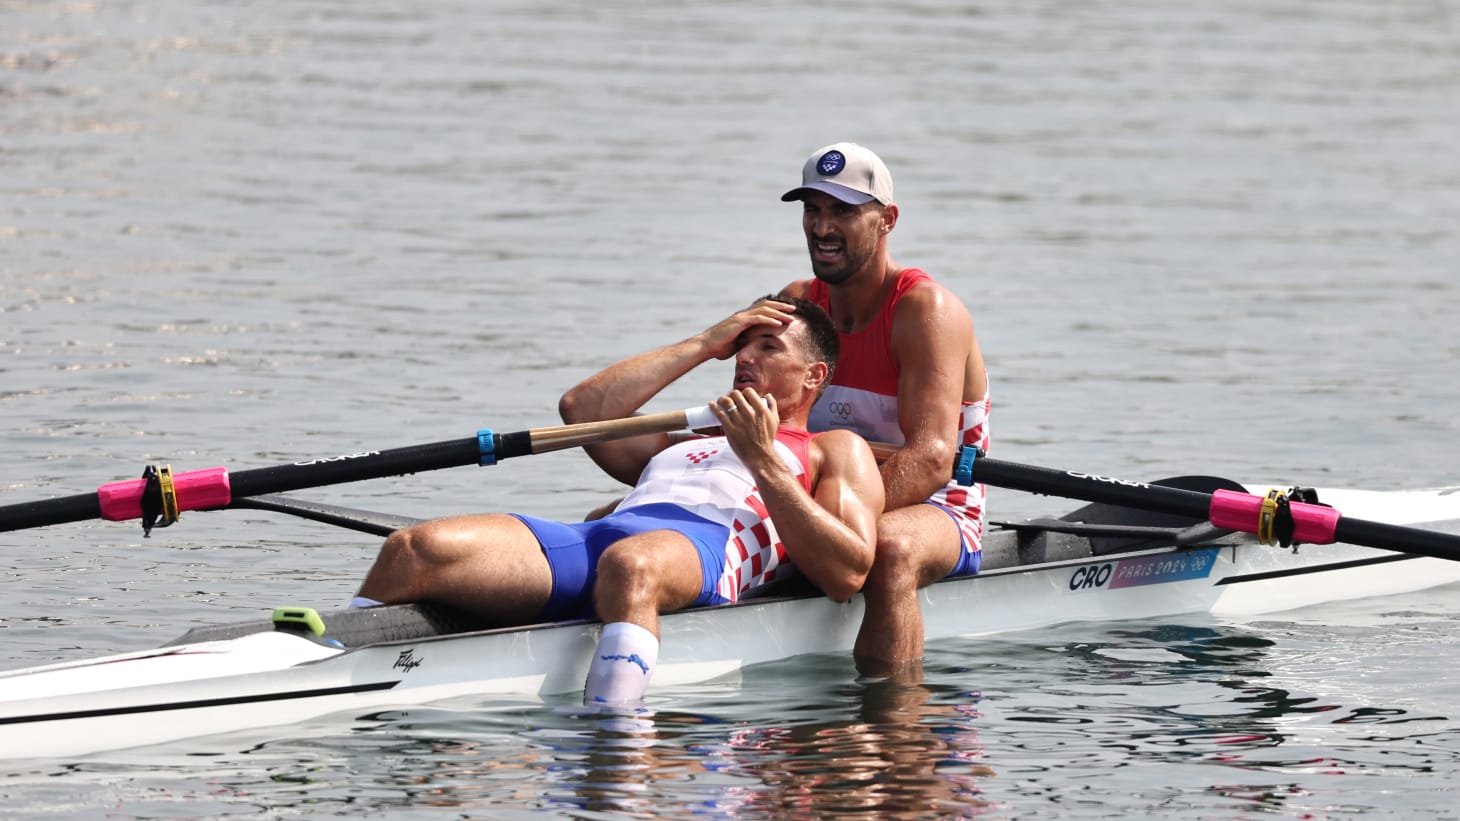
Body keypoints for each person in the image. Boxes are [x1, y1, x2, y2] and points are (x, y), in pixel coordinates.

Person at [352, 295, 884, 706]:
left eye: (768, 348)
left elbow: (848, 572)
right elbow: (583, 409)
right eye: (742, 344)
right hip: (597, 545)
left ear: (814, 375)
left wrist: (762, 457)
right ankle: (325, 665)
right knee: (415, 548)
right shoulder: (686, 436)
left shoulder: (834, 449)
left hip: (703, 552)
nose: (746, 356)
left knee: (631, 565)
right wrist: (704, 342)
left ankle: (616, 746)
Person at [776, 142, 992, 674]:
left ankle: (896, 724)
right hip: (823, 504)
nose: (823, 227)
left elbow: (931, 460)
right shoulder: (798, 304)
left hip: (939, 506)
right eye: (813, 210)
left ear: (886, 220)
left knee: (891, 550)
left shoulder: (925, 310)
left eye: (844, 211)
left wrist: (829, 536)